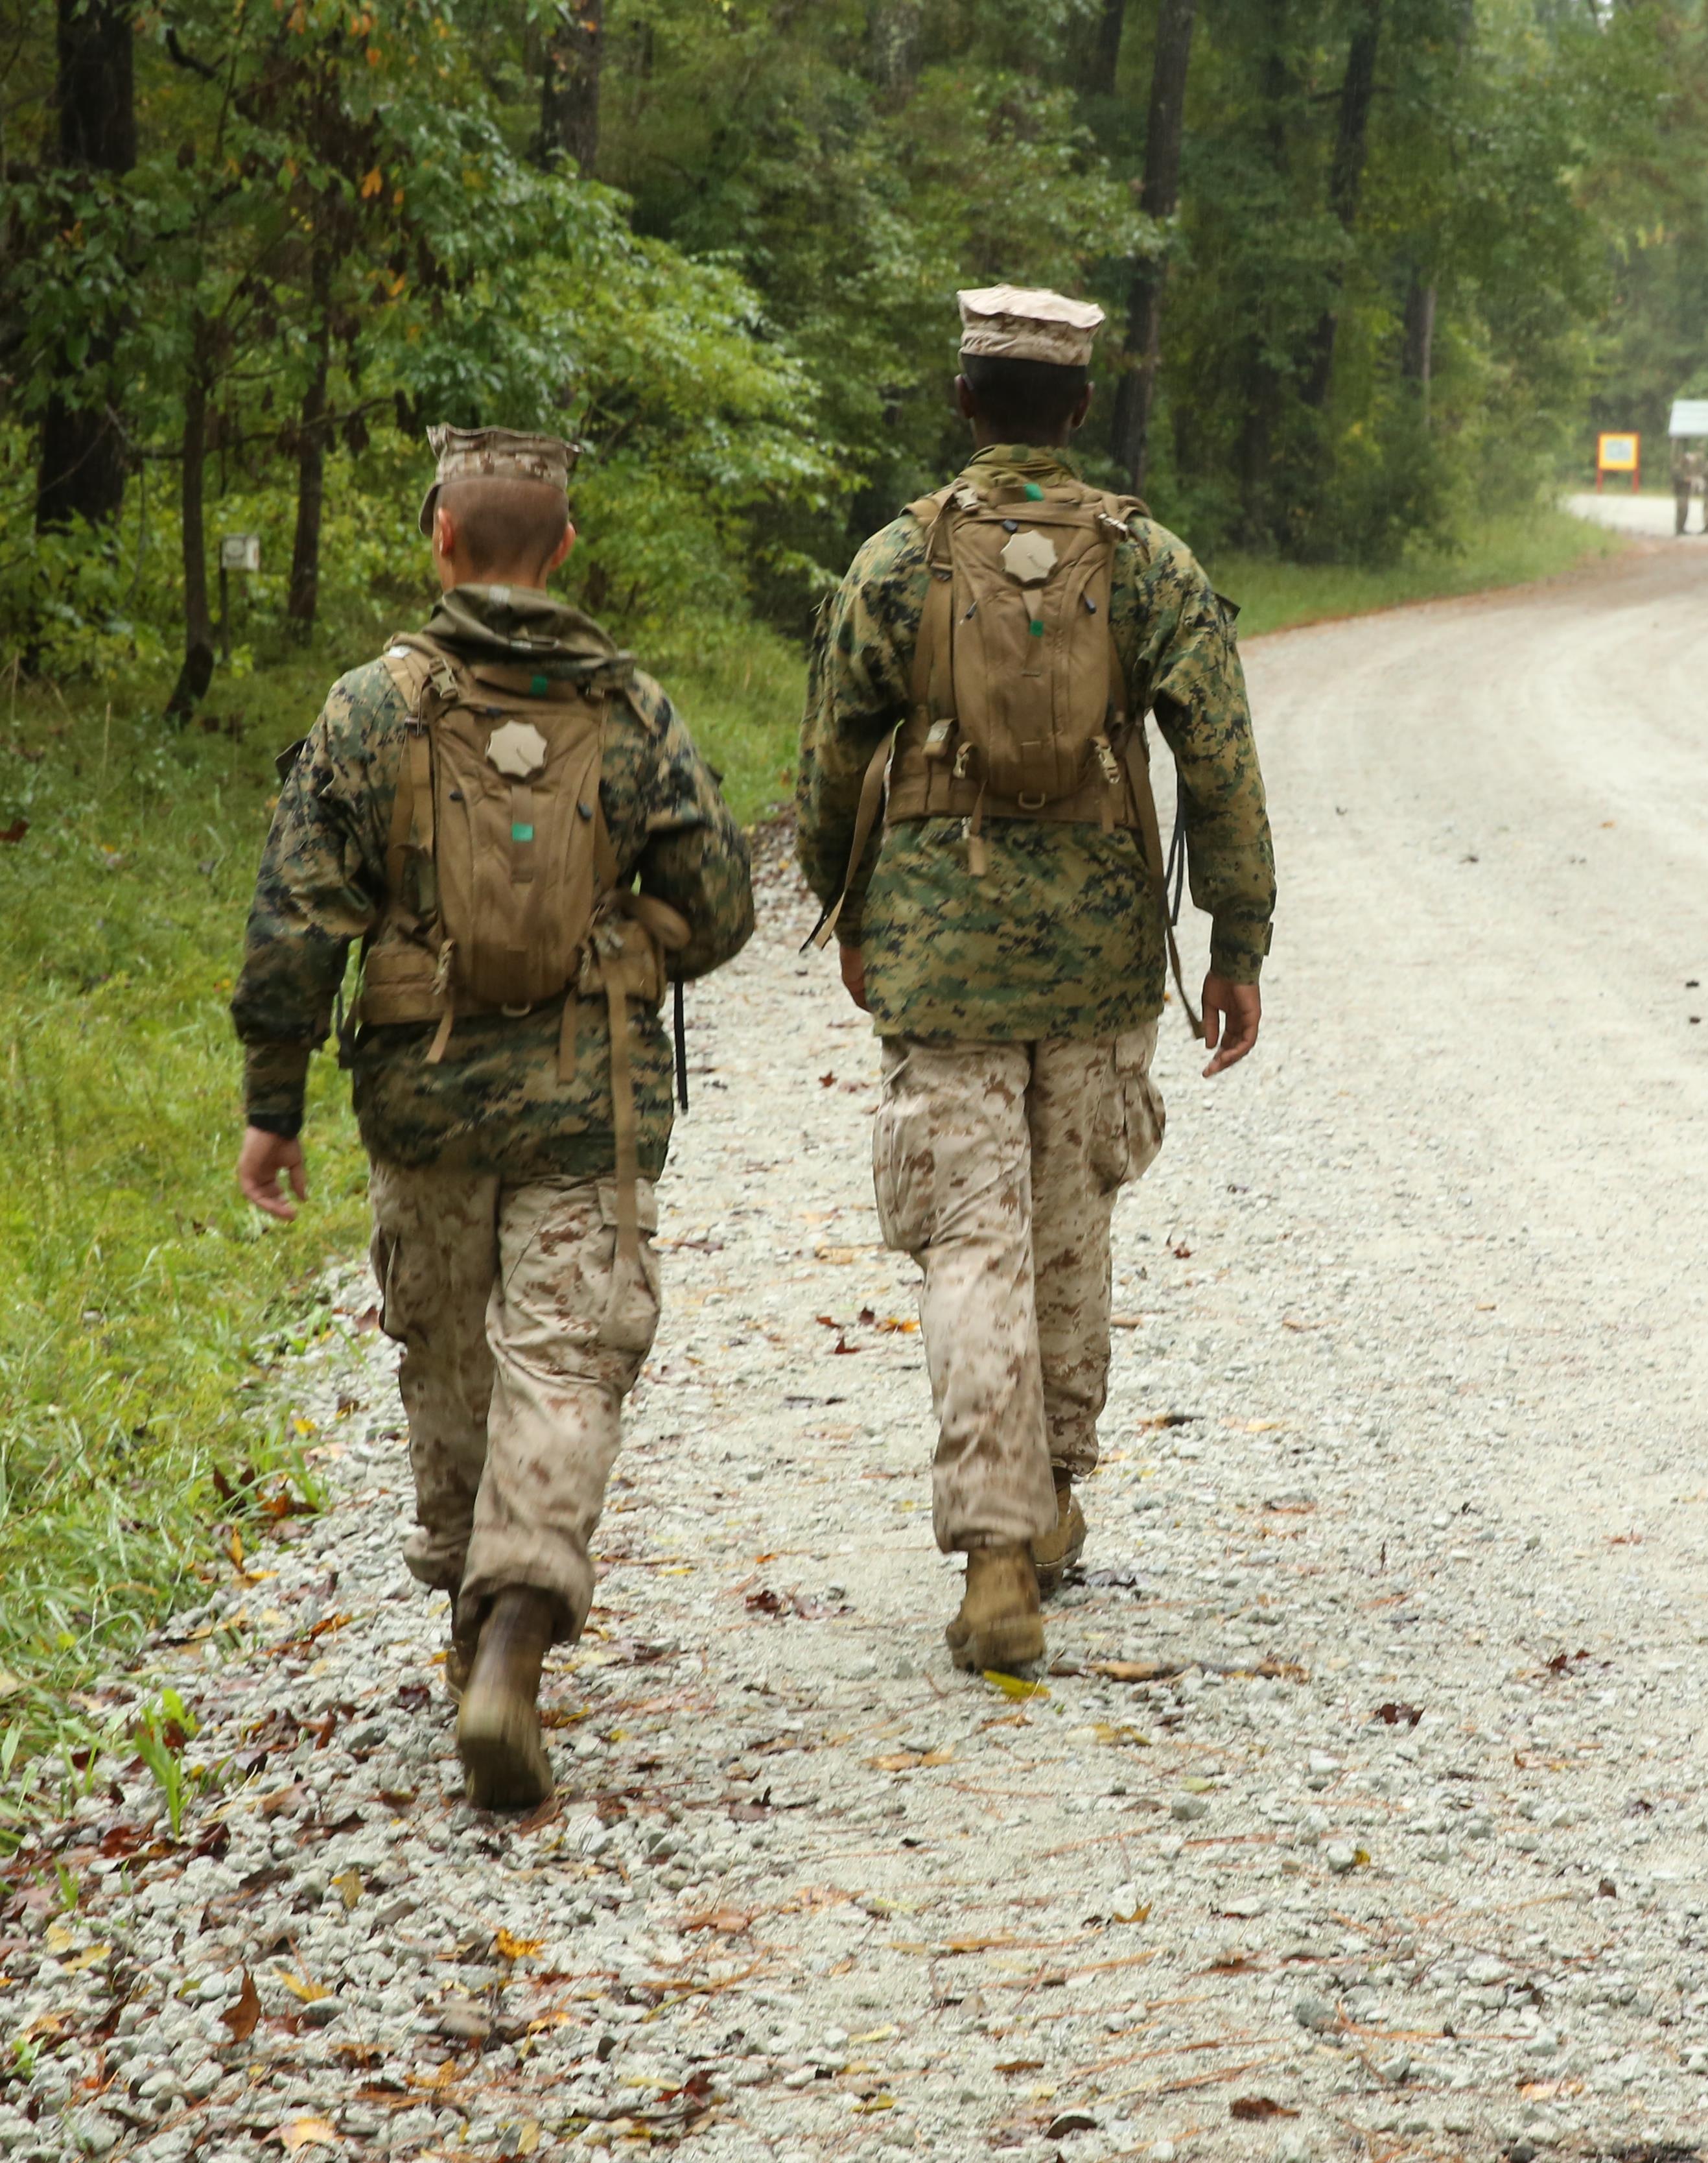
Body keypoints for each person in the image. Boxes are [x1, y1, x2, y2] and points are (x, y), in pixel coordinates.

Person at [231, 427, 755, 1810]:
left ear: (443, 540)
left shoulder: (372, 706)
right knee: (568, 1359)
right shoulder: (628, 708)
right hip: (592, 1093)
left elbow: (297, 914)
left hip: (423, 1096)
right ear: (564, 548)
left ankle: (472, 1617)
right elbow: (724, 902)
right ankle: (519, 1630)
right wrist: (629, 936)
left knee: (450, 1355)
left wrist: (271, 1105)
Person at [797, 285, 1274, 1675]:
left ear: (962, 402)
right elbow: (1220, 758)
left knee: (972, 1244)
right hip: (1101, 946)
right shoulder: (1145, 560)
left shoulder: (900, 558)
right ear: (1076, 410)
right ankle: (1054, 1491)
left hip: (942, 940)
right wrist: (1236, 939)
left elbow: (835, 753)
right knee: (1068, 1229)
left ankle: (997, 1553)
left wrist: (848, 903)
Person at [1674, 443, 1706, 536]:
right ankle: (1679, 529)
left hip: (1686, 493)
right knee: (1681, 511)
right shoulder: (1678, 469)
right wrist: (1686, 480)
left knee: (1685, 512)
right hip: (1680, 494)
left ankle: (1682, 528)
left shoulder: (1686, 469)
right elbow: (1677, 479)